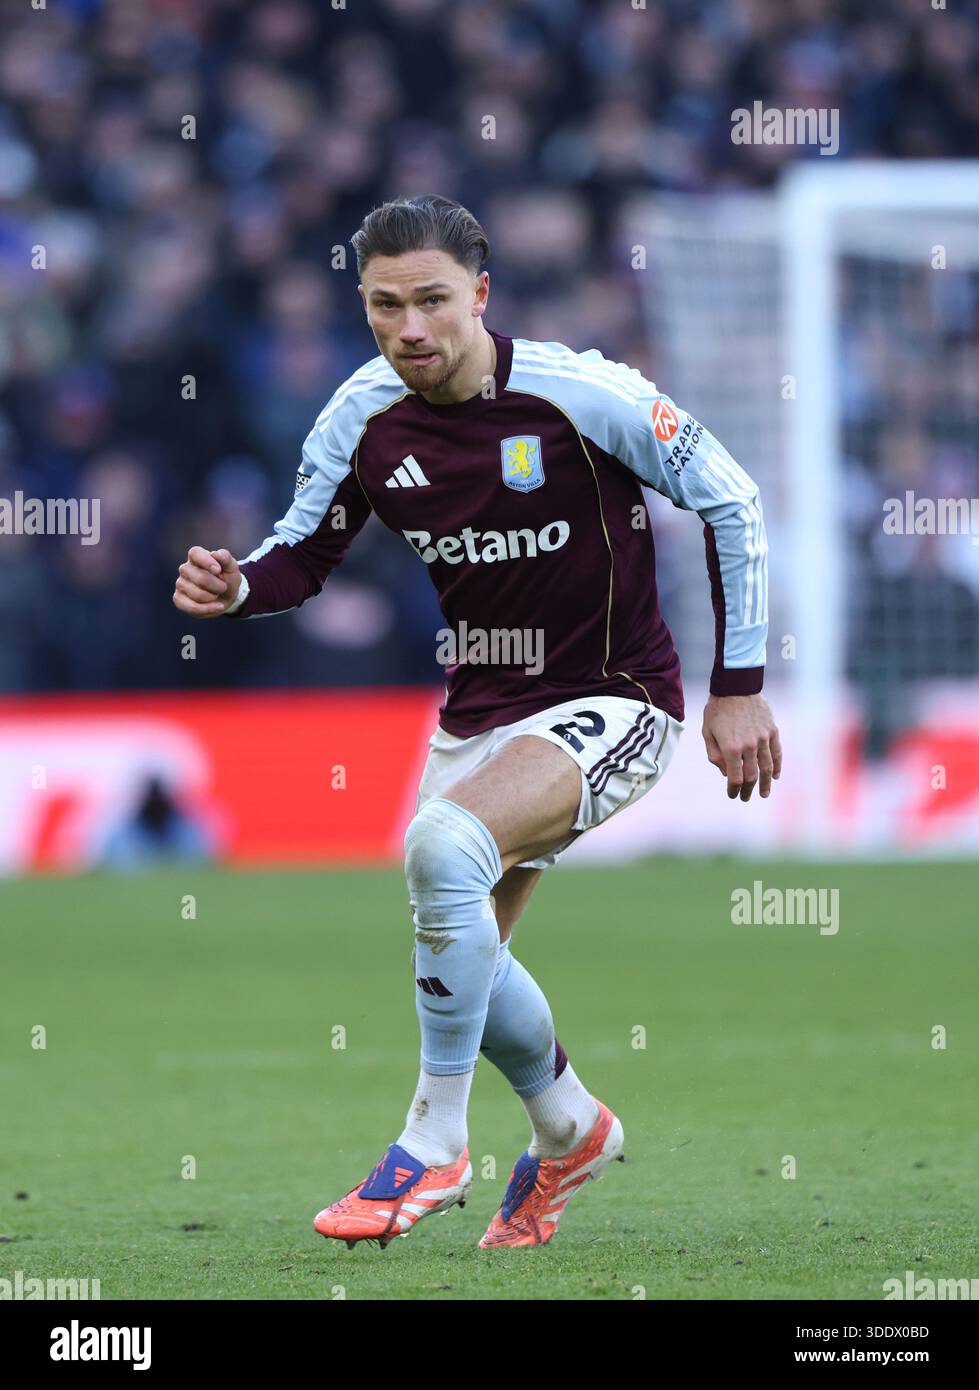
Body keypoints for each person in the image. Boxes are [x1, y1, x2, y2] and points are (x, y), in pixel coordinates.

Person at [172, 194, 781, 1249]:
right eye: (384, 305)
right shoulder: (360, 416)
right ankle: (569, 1126)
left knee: (442, 848)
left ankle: (432, 1141)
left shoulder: (584, 394)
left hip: (614, 696)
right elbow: (300, 555)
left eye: (433, 302)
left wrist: (740, 684)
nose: (410, 327)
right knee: (468, 955)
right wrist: (235, 588)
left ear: (481, 296)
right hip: (477, 716)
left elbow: (731, 498)